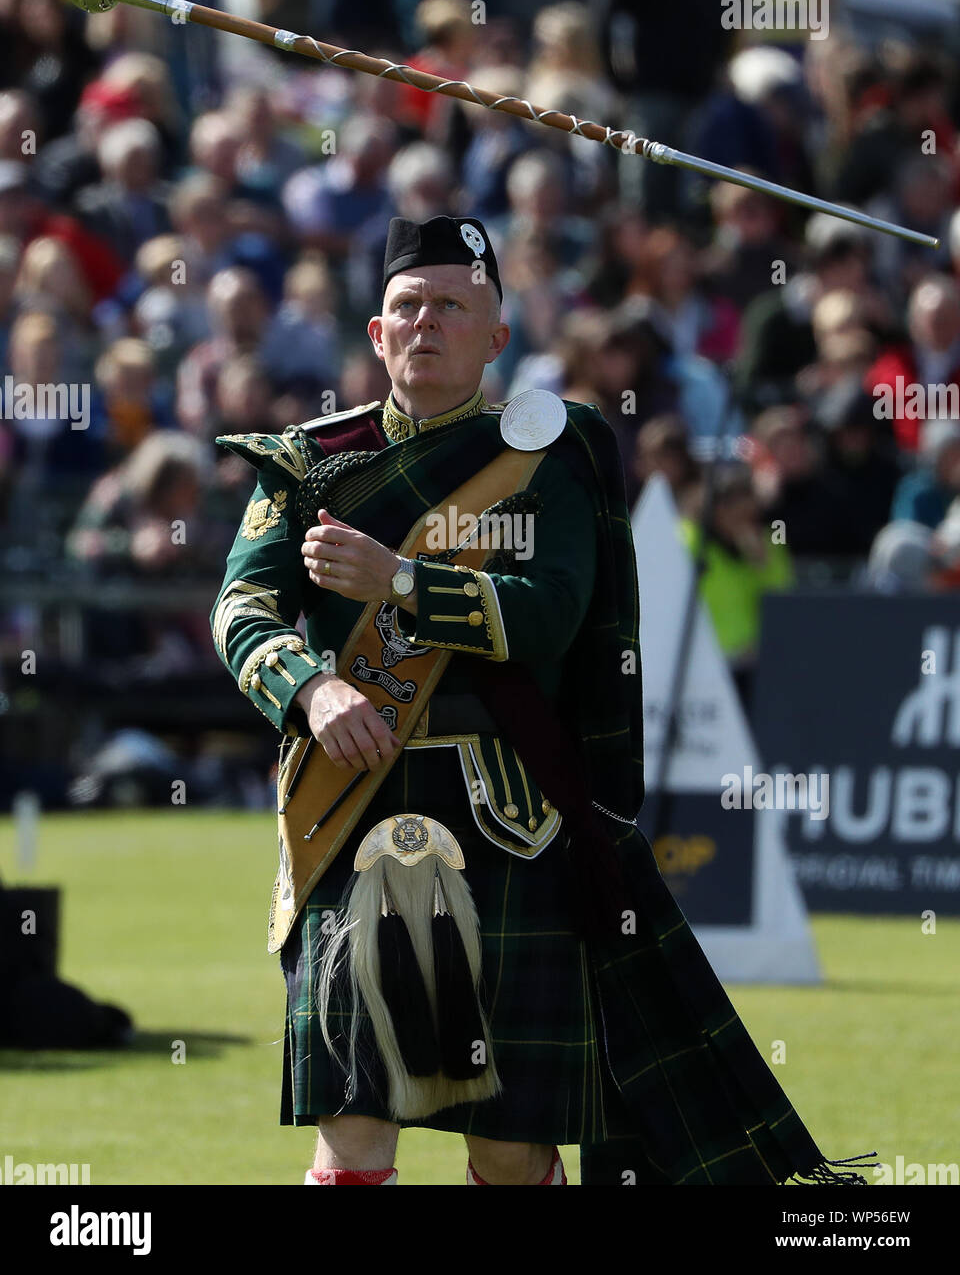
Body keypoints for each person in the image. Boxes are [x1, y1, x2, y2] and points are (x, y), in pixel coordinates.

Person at [209, 214, 875, 1186]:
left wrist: (398, 579)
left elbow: (548, 616)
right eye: (406, 307)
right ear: (375, 336)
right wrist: (310, 688)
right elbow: (241, 608)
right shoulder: (307, 467)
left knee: (511, 1142)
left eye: (451, 306)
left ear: (497, 337)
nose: (425, 323)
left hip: (507, 818)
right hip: (349, 808)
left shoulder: (549, 462)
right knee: (353, 1119)